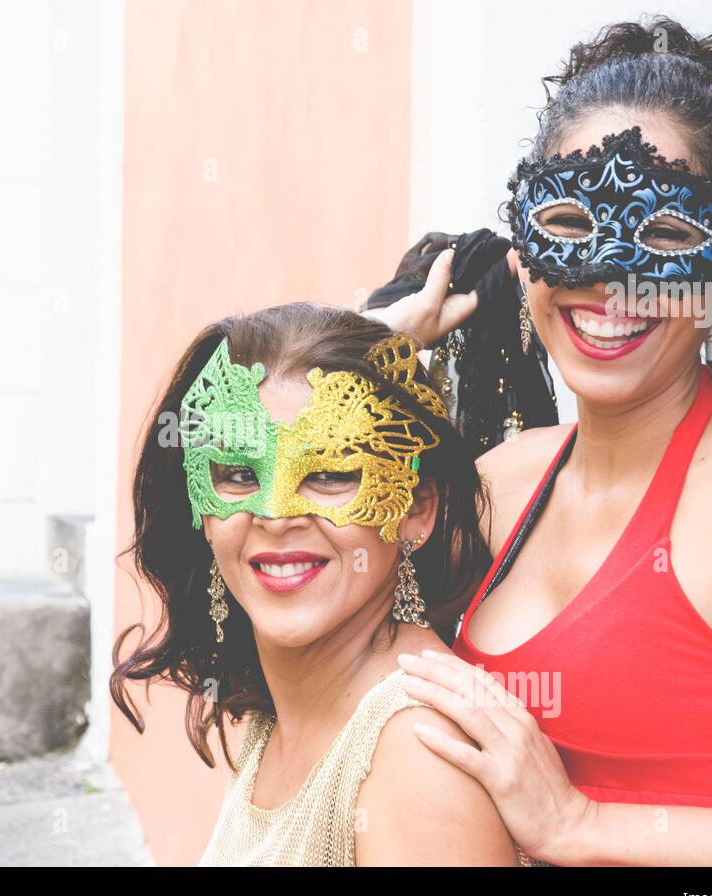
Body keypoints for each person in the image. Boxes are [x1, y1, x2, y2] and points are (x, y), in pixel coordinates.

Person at [377, 17, 712, 865]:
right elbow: (255, 535)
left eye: (668, 236)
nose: (613, 279)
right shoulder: (500, 482)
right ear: (525, 250)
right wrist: (370, 340)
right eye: (567, 222)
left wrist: (582, 827)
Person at [110, 302, 519, 865]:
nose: (276, 516)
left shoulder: (419, 757)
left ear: (417, 509)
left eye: (330, 473)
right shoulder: (280, 711)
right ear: (200, 512)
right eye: (237, 472)